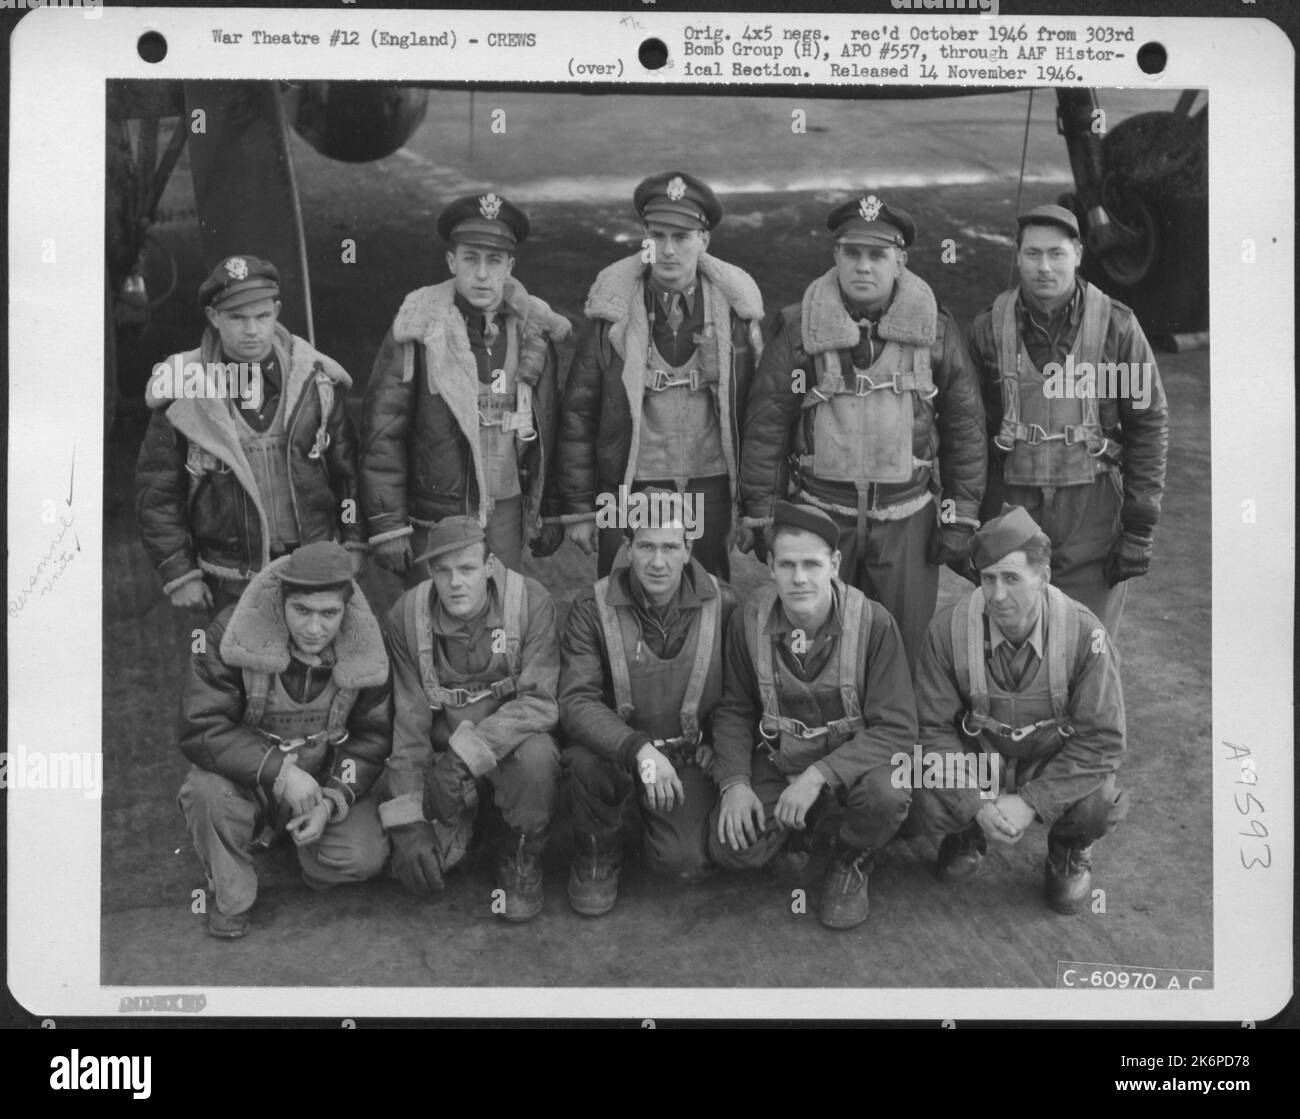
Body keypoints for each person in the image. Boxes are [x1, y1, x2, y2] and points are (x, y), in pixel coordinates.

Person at [738, 193, 986, 669]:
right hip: (819, 518)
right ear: (836, 256)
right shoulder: (798, 329)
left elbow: (966, 427)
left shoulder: (936, 330)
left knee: (904, 648)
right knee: (814, 645)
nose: (864, 267)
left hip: (907, 517)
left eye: (878, 255)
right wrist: (764, 514)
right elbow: (766, 424)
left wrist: (960, 515)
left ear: (901, 260)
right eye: (852, 253)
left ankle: (895, 738)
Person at [908, 505, 1128, 914]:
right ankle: (967, 830)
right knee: (913, 780)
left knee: (1098, 801)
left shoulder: (1085, 634)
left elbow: (1104, 741)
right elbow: (931, 728)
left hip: (1048, 761)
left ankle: (1068, 847)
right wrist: (974, 801)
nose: (997, 595)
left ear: (1043, 578)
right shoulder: (948, 630)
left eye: (1012, 578)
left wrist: (1032, 800)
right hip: (982, 762)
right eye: (988, 578)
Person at [709, 501, 917, 930]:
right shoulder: (748, 619)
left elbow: (896, 727)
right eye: (787, 564)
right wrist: (734, 783)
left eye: (811, 564)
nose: (799, 578)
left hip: (852, 765)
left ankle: (852, 857)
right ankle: (805, 821)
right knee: (731, 847)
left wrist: (817, 776)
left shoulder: (874, 623)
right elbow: (734, 709)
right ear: (769, 565)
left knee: (889, 792)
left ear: (835, 564)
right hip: (780, 758)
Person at [967, 204, 1169, 637]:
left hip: (1092, 511)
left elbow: (1149, 423)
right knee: (1010, 648)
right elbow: (964, 431)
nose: (1044, 267)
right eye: (1033, 254)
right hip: (1010, 506)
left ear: (1078, 253)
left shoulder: (1118, 327)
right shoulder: (986, 330)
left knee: (1088, 649)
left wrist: (1138, 527)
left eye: (1056, 254)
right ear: (1017, 256)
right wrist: (963, 518)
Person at [176, 542, 391, 939]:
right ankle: (232, 896)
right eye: (302, 610)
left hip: (320, 779)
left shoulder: (365, 647)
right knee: (206, 792)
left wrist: (331, 801)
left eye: (329, 613)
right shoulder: (230, 633)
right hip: (250, 779)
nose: (314, 628)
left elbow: (371, 737)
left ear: (346, 611)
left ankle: (301, 844)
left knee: (364, 857)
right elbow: (200, 726)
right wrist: (280, 771)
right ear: (281, 601)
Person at [555, 171, 764, 579]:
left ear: (704, 240)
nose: (667, 250)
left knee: (707, 597)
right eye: (657, 236)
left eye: (682, 237)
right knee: (622, 592)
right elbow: (579, 413)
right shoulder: (611, 313)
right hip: (630, 484)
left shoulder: (736, 314)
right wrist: (580, 507)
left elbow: (758, 412)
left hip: (709, 485)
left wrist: (755, 507)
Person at [136, 255, 364, 615]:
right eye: (237, 318)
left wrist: (353, 541)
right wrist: (179, 572)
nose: (252, 330)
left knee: (316, 663)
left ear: (277, 311)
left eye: (262, 316)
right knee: (226, 667)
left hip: (313, 562)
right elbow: (158, 492)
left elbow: (346, 473)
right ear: (214, 317)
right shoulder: (182, 391)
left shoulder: (316, 381)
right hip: (229, 574)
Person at [361, 193, 568, 582]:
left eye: (494, 261)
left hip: (507, 506)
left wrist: (550, 506)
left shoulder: (533, 330)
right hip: (440, 512)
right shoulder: (418, 331)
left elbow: (549, 428)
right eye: (471, 259)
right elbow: (383, 432)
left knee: (502, 612)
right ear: (451, 261)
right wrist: (387, 523)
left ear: (510, 265)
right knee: (434, 614)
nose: (483, 274)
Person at [559, 492, 740, 915]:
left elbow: (738, 698)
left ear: (689, 549)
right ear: (627, 547)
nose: (658, 562)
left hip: (685, 758)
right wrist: (638, 749)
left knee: (681, 862)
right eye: (646, 546)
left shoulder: (725, 603)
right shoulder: (590, 608)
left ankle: (647, 821)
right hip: (616, 755)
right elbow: (576, 701)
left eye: (670, 547)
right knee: (584, 763)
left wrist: (722, 753)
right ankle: (597, 850)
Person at [379, 516, 561, 923]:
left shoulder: (530, 601)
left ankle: (521, 854)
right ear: (429, 573)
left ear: (490, 566)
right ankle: (473, 823)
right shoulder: (406, 616)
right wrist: (408, 822)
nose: (455, 583)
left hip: (508, 750)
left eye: (467, 569)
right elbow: (408, 725)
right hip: (442, 761)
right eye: (443, 571)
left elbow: (540, 702)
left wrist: (464, 756)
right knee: (421, 863)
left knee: (538, 757)